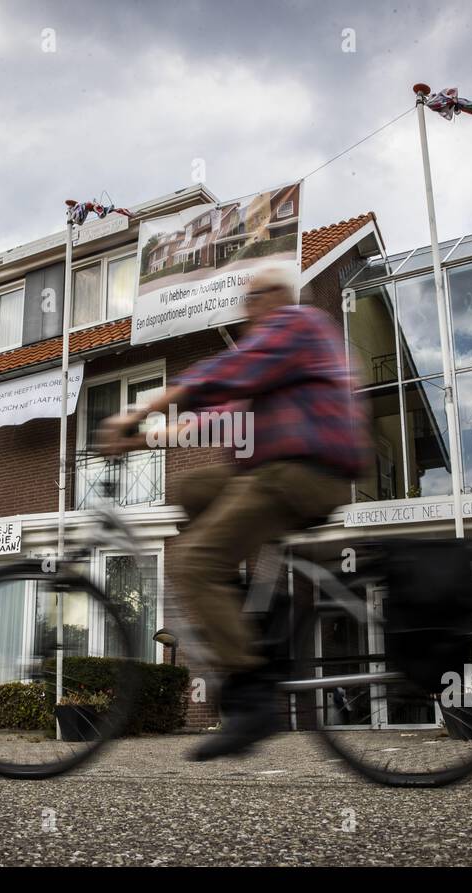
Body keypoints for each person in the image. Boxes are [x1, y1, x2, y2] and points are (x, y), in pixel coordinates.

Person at [95, 264, 371, 759]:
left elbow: (220, 374)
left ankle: (252, 695)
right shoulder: (273, 372)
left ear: (274, 298)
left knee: (191, 562)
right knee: (193, 487)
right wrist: (137, 441)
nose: (246, 313)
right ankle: (242, 605)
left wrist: (137, 410)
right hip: (275, 470)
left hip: (304, 472)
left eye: (251, 301)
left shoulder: (296, 325)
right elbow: (210, 422)